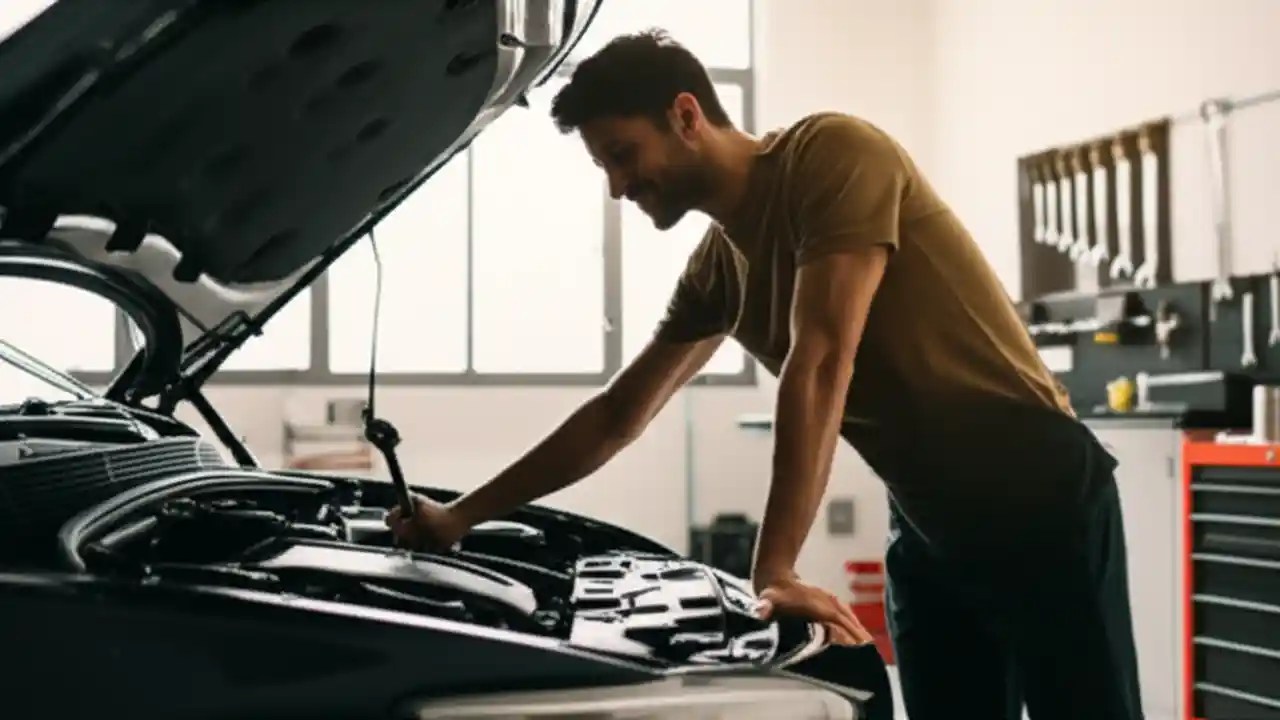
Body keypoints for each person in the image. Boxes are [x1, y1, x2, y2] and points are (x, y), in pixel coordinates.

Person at [387, 30, 1143, 720]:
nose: (618, 186)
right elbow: (619, 415)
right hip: (928, 521)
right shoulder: (719, 267)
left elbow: (820, 359)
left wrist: (774, 566)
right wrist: (462, 515)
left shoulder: (833, 155)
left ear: (687, 115)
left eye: (621, 155)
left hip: (1035, 492)